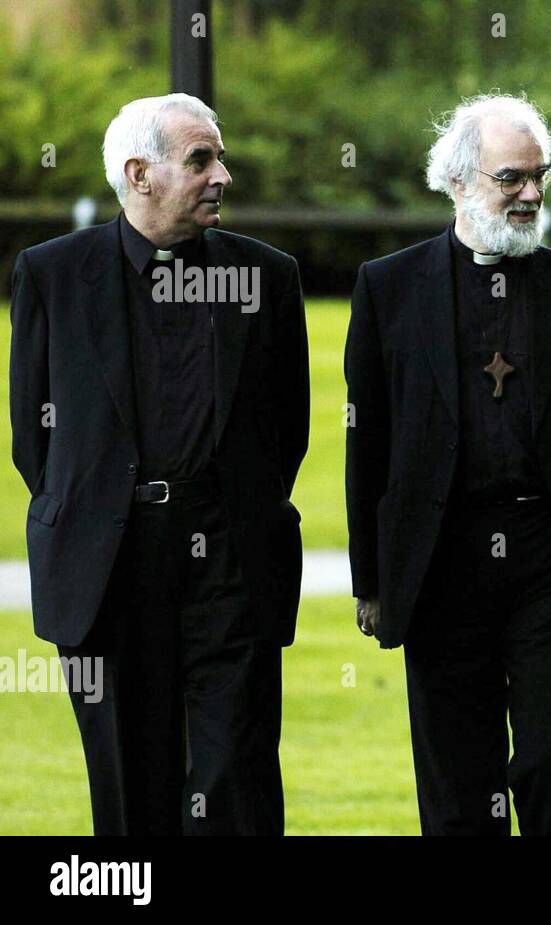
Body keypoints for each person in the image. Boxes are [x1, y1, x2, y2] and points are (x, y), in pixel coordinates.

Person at [345, 94, 551, 835]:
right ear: (457, 181)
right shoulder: (388, 290)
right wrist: (372, 578)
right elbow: (369, 443)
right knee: (455, 776)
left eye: (540, 176)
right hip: (440, 561)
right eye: (512, 178)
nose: (533, 194)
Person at [8, 93, 309, 835]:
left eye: (221, 156)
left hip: (231, 563)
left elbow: (287, 430)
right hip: (107, 567)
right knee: (128, 790)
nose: (222, 176)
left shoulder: (266, 277)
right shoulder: (53, 274)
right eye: (201, 159)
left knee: (236, 780)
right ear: (139, 173)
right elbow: (33, 436)